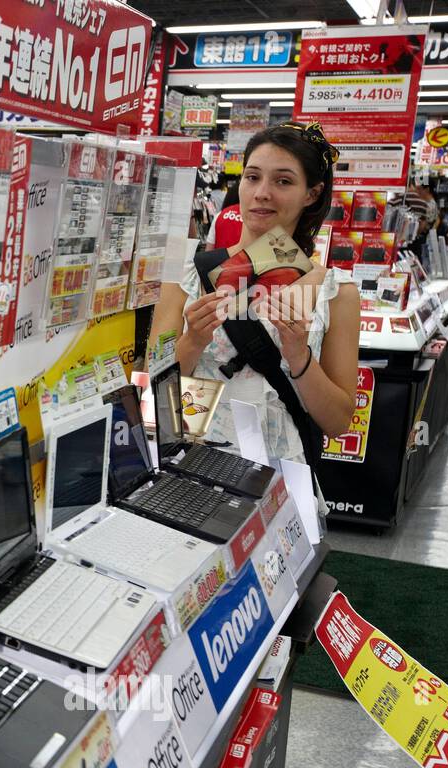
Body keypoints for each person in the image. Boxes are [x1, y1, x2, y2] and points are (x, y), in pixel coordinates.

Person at [149, 122, 361, 494]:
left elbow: (338, 423)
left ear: (311, 194)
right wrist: (194, 342)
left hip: (281, 473)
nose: (262, 193)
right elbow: (150, 394)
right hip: (193, 460)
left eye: (283, 181)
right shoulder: (189, 272)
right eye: (252, 177)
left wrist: (300, 358)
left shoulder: (335, 292)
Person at [206, 183, 244, 251]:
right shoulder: (254, 217)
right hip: (245, 260)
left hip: (219, 260)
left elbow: (208, 250)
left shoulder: (219, 216)